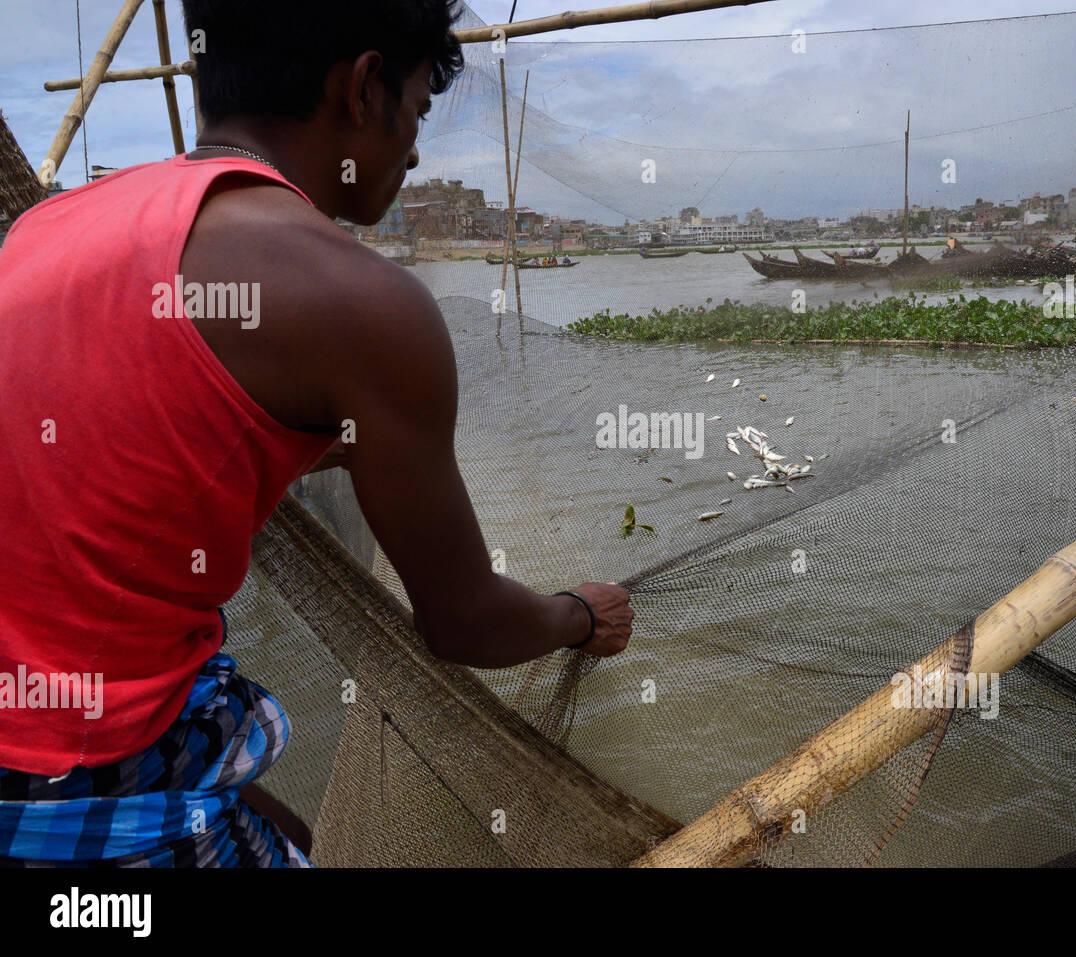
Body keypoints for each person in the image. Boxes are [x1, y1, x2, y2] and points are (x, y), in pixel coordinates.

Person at [0, 0, 632, 868]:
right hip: (71, 775)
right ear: (363, 89)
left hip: (81, 713)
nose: (413, 149)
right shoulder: (358, 302)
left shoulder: (43, 227)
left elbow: (148, 419)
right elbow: (464, 623)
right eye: (413, 109)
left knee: (288, 833)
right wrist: (576, 615)